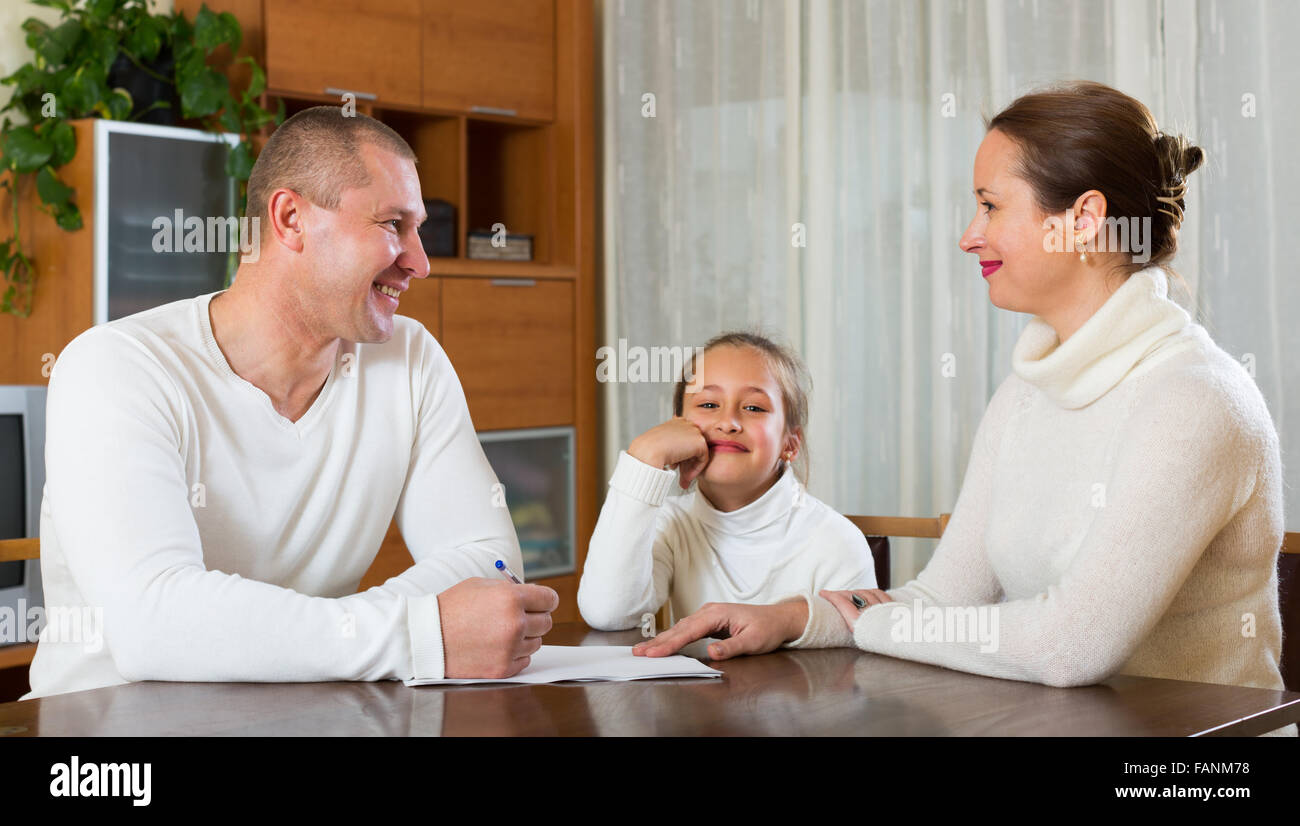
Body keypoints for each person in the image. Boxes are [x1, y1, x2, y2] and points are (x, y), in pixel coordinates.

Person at [633, 81, 1288, 706]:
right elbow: (941, 601)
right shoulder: (1026, 397)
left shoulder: (1196, 403)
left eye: (990, 205)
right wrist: (793, 618)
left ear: (1083, 219)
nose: (968, 235)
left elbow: (1069, 646)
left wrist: (868, 625)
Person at [25, 107, 557, 700]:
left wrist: (324, 636)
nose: (420, 261)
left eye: (419, 230)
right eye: (392, 224)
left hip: (310, 711)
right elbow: (153, 625)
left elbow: (490, 561)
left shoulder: (409, 359)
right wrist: (419, 630)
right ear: (290, 218)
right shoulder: (115, 368)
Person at [577, 332, 875, 632]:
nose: (727, 422)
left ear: (791, 444)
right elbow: (607, 612)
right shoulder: (669, 524)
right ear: (676, 427)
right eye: (708, 405)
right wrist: (644, 457)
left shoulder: (836, 541)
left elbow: (854, 656)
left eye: (754, 408)